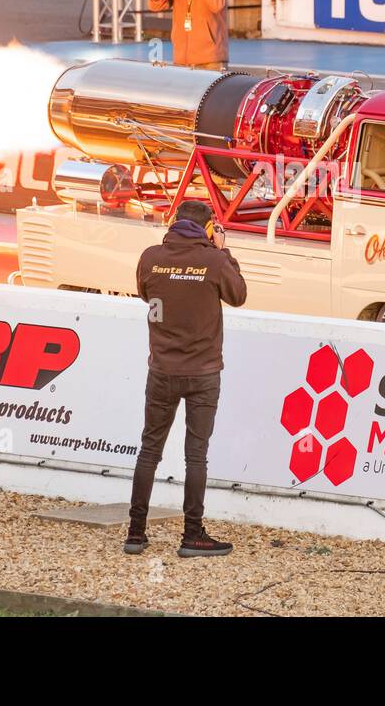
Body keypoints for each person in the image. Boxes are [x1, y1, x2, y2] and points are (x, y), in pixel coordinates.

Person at [126, 199, 247, 558]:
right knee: (196, 457)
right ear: (209, 228)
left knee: (150, 450)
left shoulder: (150, 257)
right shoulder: (214, 260)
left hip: (161, 370)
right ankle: (192, 535)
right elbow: (238, 295)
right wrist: (224, 253)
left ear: (173, 222)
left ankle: (135, 532)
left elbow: (146, 292)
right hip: (203, 373)